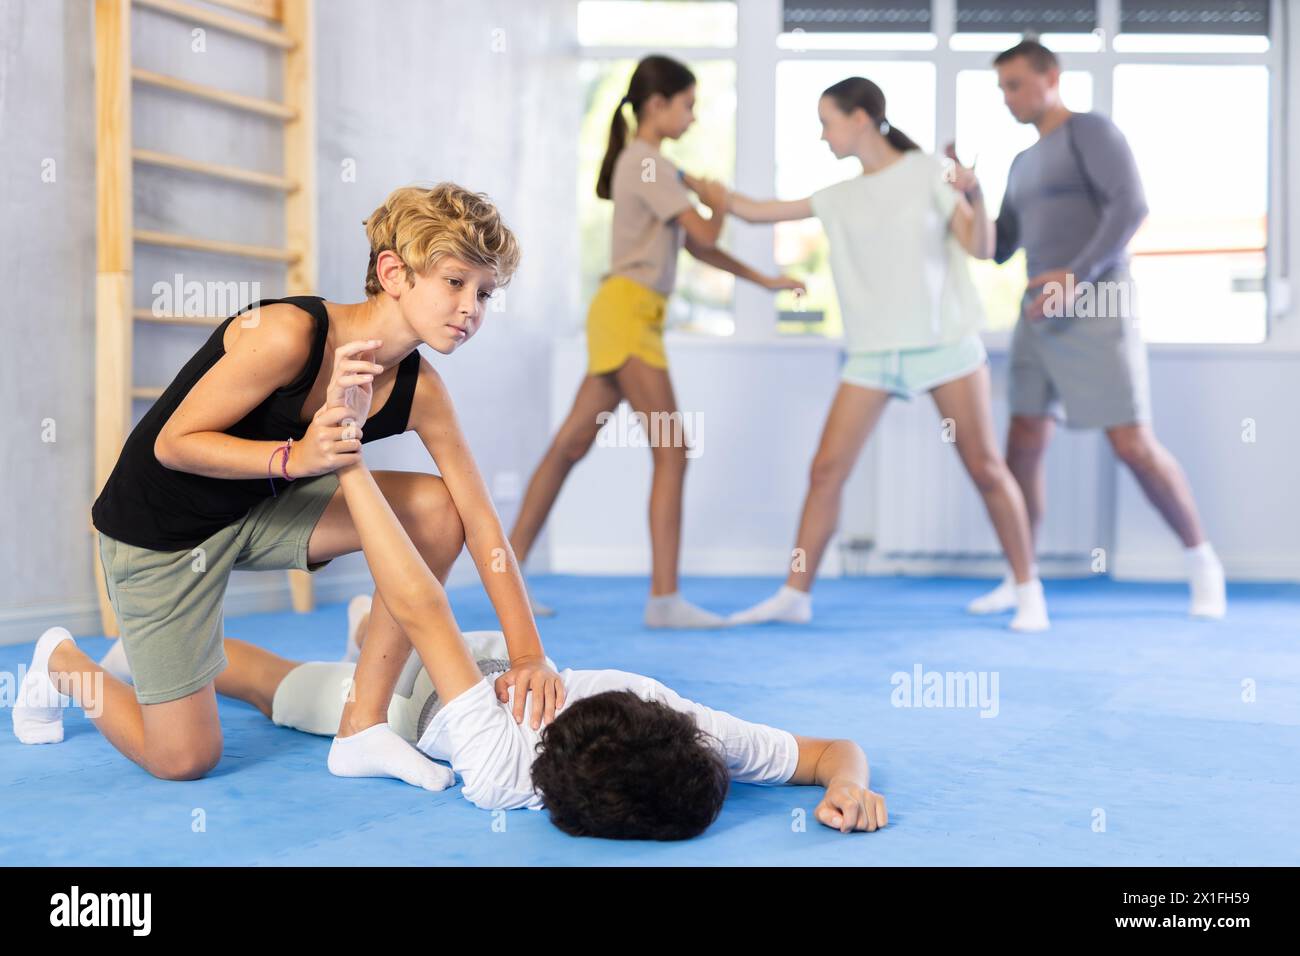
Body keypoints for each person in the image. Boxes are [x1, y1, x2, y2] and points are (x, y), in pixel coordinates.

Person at [15, 184, 565, 790]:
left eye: (485, 293)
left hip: (260, 508)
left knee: (438, 510)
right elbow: (172, 445)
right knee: (183, 759)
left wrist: (526, 655)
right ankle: (61, 662)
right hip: (161, 534)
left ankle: (362, 725)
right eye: (455, 282)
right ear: (393, 272)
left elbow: (481, 520)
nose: (471, 308)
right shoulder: (287, 334)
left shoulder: (423, 391)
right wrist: (299, 456)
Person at [725, 77, 1048, 631]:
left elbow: (981, 247)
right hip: (874, 352)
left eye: (827, 122)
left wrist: (974, 192)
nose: (823, 136)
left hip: (944, 343)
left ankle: (1027, 590)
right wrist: (686, 181)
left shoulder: (928, 172)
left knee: (986, 468)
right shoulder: (838, 196)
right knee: (826, 471)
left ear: (859, 118)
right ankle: (795, 594)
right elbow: (755, 212)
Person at [508, 54, 804, 629]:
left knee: (569, 446)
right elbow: (704, 229)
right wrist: (716, 202)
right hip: (628, 317)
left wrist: (766, 281)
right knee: (673, 450)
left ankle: (509, 572)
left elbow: (698, 247)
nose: (693, 117)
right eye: (688, 105)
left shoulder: (649, 166)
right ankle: (664, 600)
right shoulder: (646, 165)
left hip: (629, 313)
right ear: (657, 104)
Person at [967, 40, 1226, 620]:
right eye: (1001, 88)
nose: (1007, 98)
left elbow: (1131, 206)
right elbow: (1001, 249)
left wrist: (1075, 276)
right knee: (1024, 445)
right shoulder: (1020, 163)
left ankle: (1202, 562)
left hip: (1098, 302)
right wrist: (970, 195)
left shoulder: (1091, 132)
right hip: (1036, 311)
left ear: (1050, 77)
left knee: (1131, 443)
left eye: (1015, 84)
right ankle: (1020, 576)